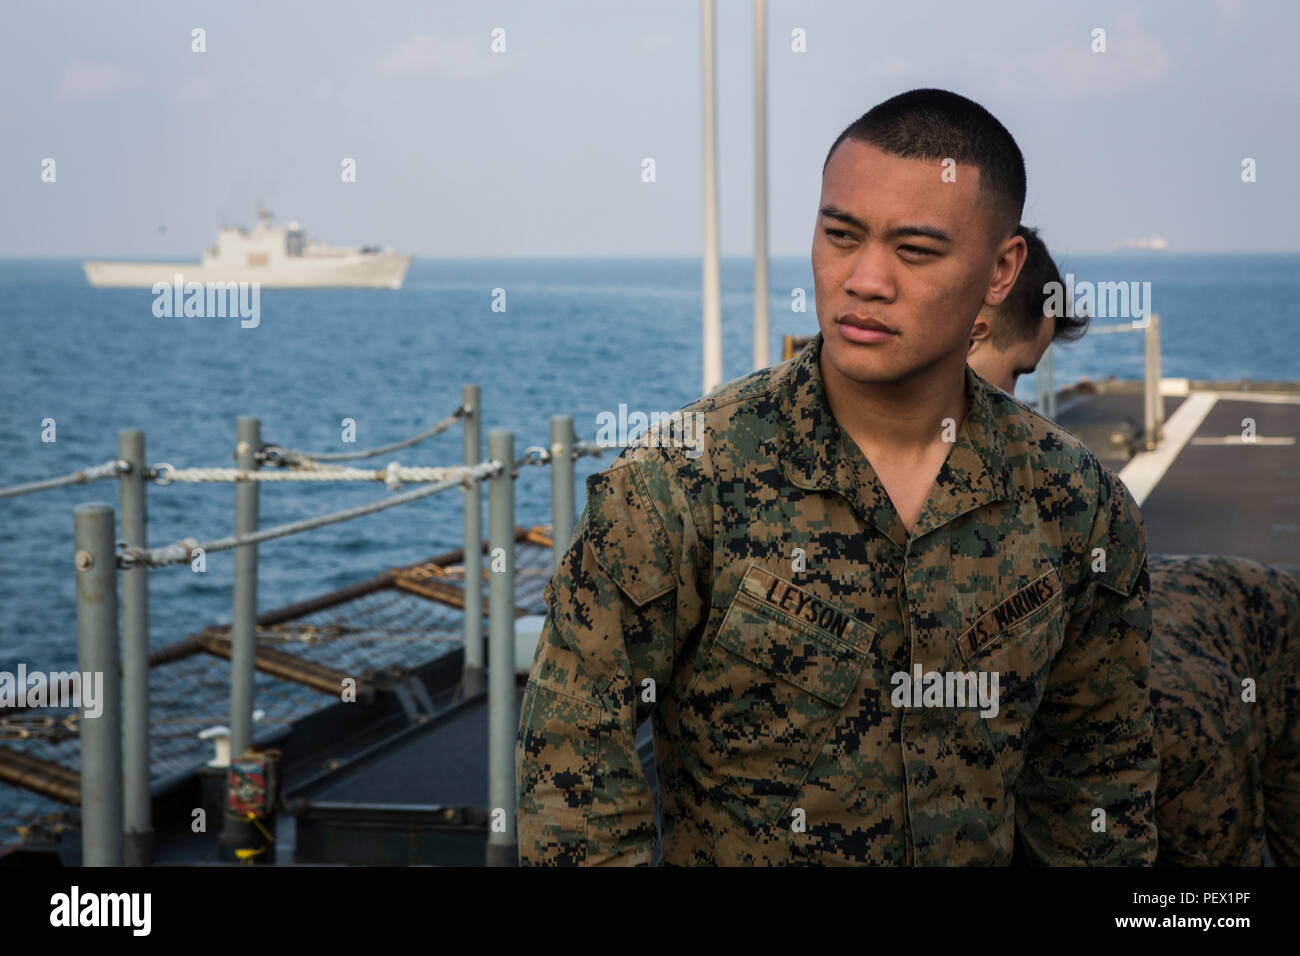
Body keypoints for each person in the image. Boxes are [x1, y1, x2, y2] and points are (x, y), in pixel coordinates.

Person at [517, 88, 1157, 866]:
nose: (865, 280)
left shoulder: (1076, 506)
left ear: (1001, 271)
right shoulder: (680, 487)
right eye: (841, 235)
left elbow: (1097, 782)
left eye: (915, 251)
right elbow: (572, 776)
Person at [964, 237, 1300, 867]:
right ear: (975, 333)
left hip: (1219, 681)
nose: (1016, 403)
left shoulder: (1059, 485)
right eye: (1017, 374)